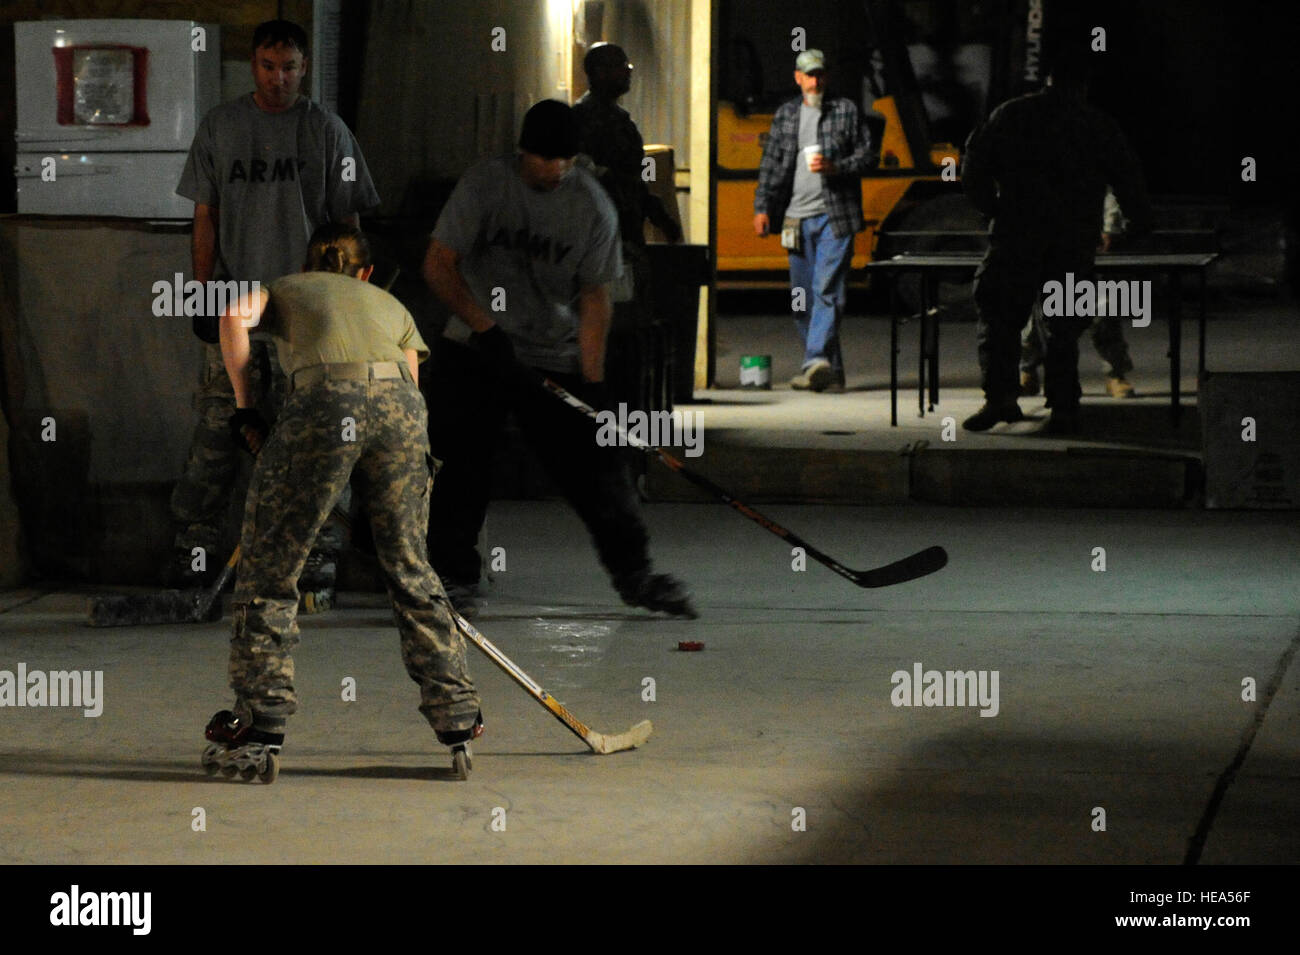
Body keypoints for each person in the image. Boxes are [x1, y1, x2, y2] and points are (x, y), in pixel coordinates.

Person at [201, 224, 482, 783]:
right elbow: (408, 391)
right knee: (410, 566)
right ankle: (457, 717)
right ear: (366, 273)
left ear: (308, 263)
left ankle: (261, 723)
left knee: (272, 566)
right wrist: (378, 501)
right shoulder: (392, 305)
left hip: (324, 402)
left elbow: (232, 315)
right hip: (402, 413)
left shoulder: (286, 287)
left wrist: (246, 408)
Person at [421, 99, 695, 620]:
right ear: (524, 151)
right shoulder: (486, 185)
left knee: (595, 469)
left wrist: (592, 382)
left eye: (566, 159)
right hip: (476, 347)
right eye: (547, 159)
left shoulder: (592, 206)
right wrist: (484, 327)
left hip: (552, 351)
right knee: (461, 463)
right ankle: (452, 575)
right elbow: (438, 265)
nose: (557, 169)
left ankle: (636, 575)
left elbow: (595, 299)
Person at [170, 19, 380, 609]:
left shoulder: (327, 131)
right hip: (237, 305)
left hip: (306, 312)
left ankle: (314, 563)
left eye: (289, 68)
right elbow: (205, 215)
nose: (278, 78)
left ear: (304, 68)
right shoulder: (222, 127)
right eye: (268, 66)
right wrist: (202, 290)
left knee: (312, 438)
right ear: (254, 66)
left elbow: (348, 224)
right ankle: (193, 553)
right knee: (218, 432)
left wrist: (346, 302)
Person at [960, 42, 1151, 434]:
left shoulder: (1011, 114)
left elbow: (973, 166)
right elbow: (1128, 177)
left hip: (1015, 237)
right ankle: (1063, 409)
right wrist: (1137, 224)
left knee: (999, 320)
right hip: (1070, 242)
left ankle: (1000, 400)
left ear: (1046, 79)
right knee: (1063, 327)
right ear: (1083, 84)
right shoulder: (1096, 123)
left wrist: (992, 209)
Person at [753, 49, 875, 392]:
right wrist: (761, 207)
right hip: (795, 219)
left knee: (827, 289)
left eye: (820, 74)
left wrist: (838, 167)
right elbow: (771, 163)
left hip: (836, 217)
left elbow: (869, 156)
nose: (815, 81)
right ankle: (828, 371)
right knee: (802, 299)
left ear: (827, 76)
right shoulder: (786, 115)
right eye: (809, 75)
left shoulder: (845, 110)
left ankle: (814, 359)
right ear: (798, 77)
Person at [572, 42, 683, 412]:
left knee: (631, 322)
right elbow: (590, 182)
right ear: (599, 72)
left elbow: (631, 183)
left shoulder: (620, 120)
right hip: (602, 243)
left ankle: (627, 408)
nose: (628, 72)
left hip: (627, 236)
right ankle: (608, 405)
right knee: (613, 327)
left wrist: (657, 213)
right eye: (621, 66)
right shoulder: (581, 121)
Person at [1020, 188, 1137, 400]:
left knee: (1104, 310)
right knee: (1039, 311)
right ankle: (1027, 369)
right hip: (1048, 244)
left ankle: (1115, 373)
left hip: (1088, 244)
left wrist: (1110, 227)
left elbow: (1109, 191)